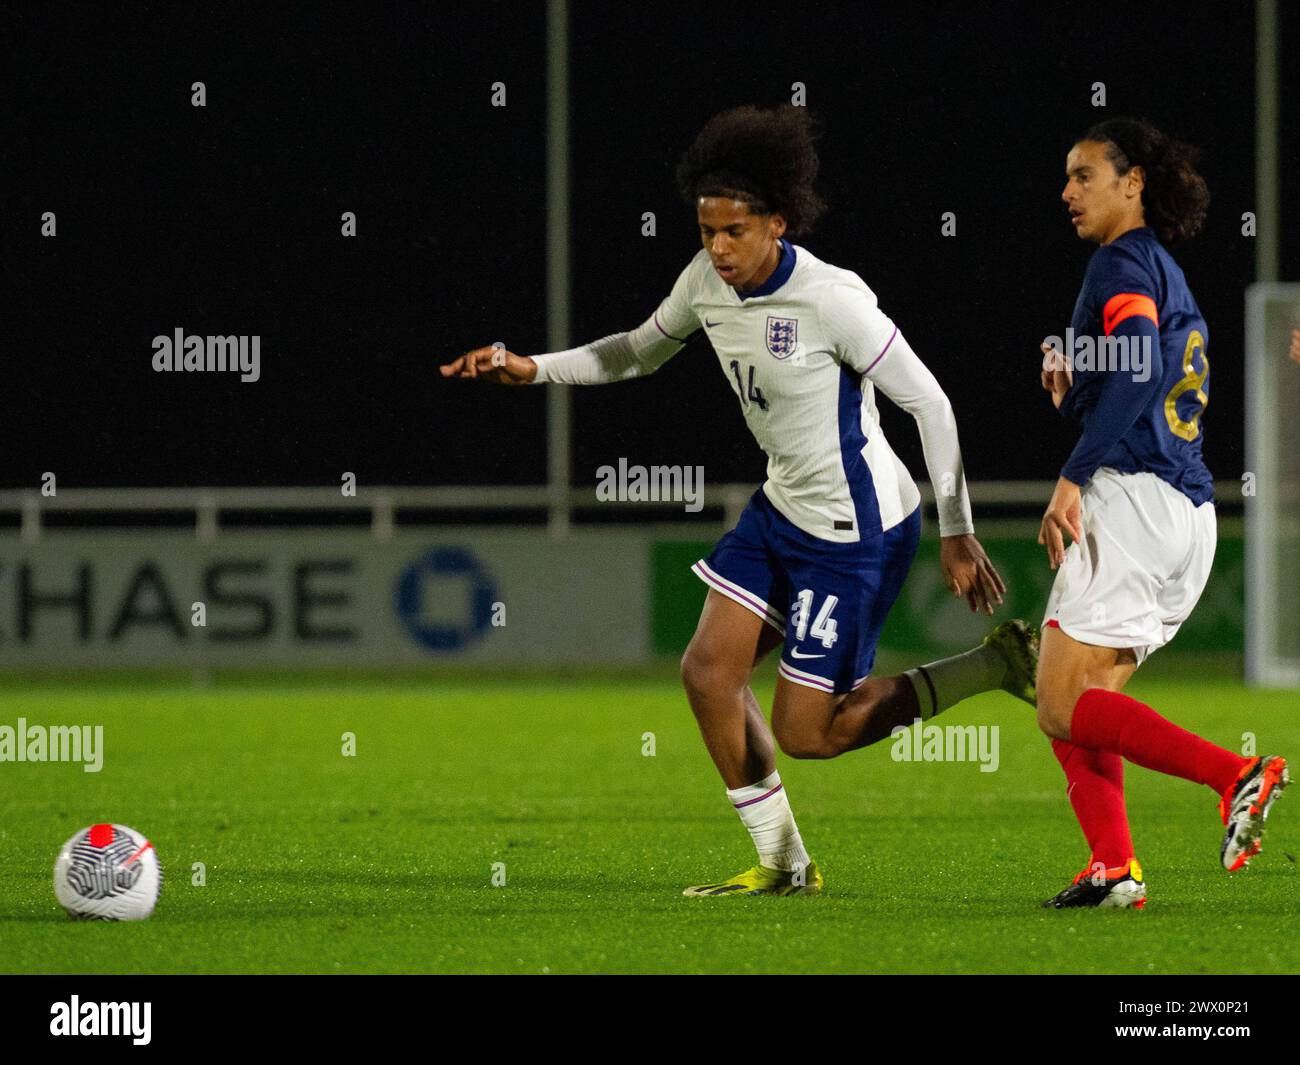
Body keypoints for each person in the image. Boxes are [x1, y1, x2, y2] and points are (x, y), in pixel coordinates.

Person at [443, 105, 1037, 897]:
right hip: (781, 511)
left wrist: (956, 531)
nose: (718, 248)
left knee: (808, 734)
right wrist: (532, 367)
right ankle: (786, 863)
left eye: (734, 231)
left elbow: (929, 403)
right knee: (706, 671)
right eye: (706, 231)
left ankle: (989, 665)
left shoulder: (833, 299)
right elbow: (636, 352)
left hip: (857, 531)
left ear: (777, 224)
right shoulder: (704, 282)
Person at [1036, 117, 1288, 909]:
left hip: (1134, 498)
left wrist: (1074, 475)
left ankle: (1237, 773)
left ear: (1132, 183)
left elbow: (1140, 364)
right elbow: (1137, 375)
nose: (1068, 191)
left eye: (1084, 175)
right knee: (1083, 707)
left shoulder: (1119, 263)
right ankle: (1113, 868)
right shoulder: (1160, 268)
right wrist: (1075, 392)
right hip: (1186, 510)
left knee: (1059, 701)